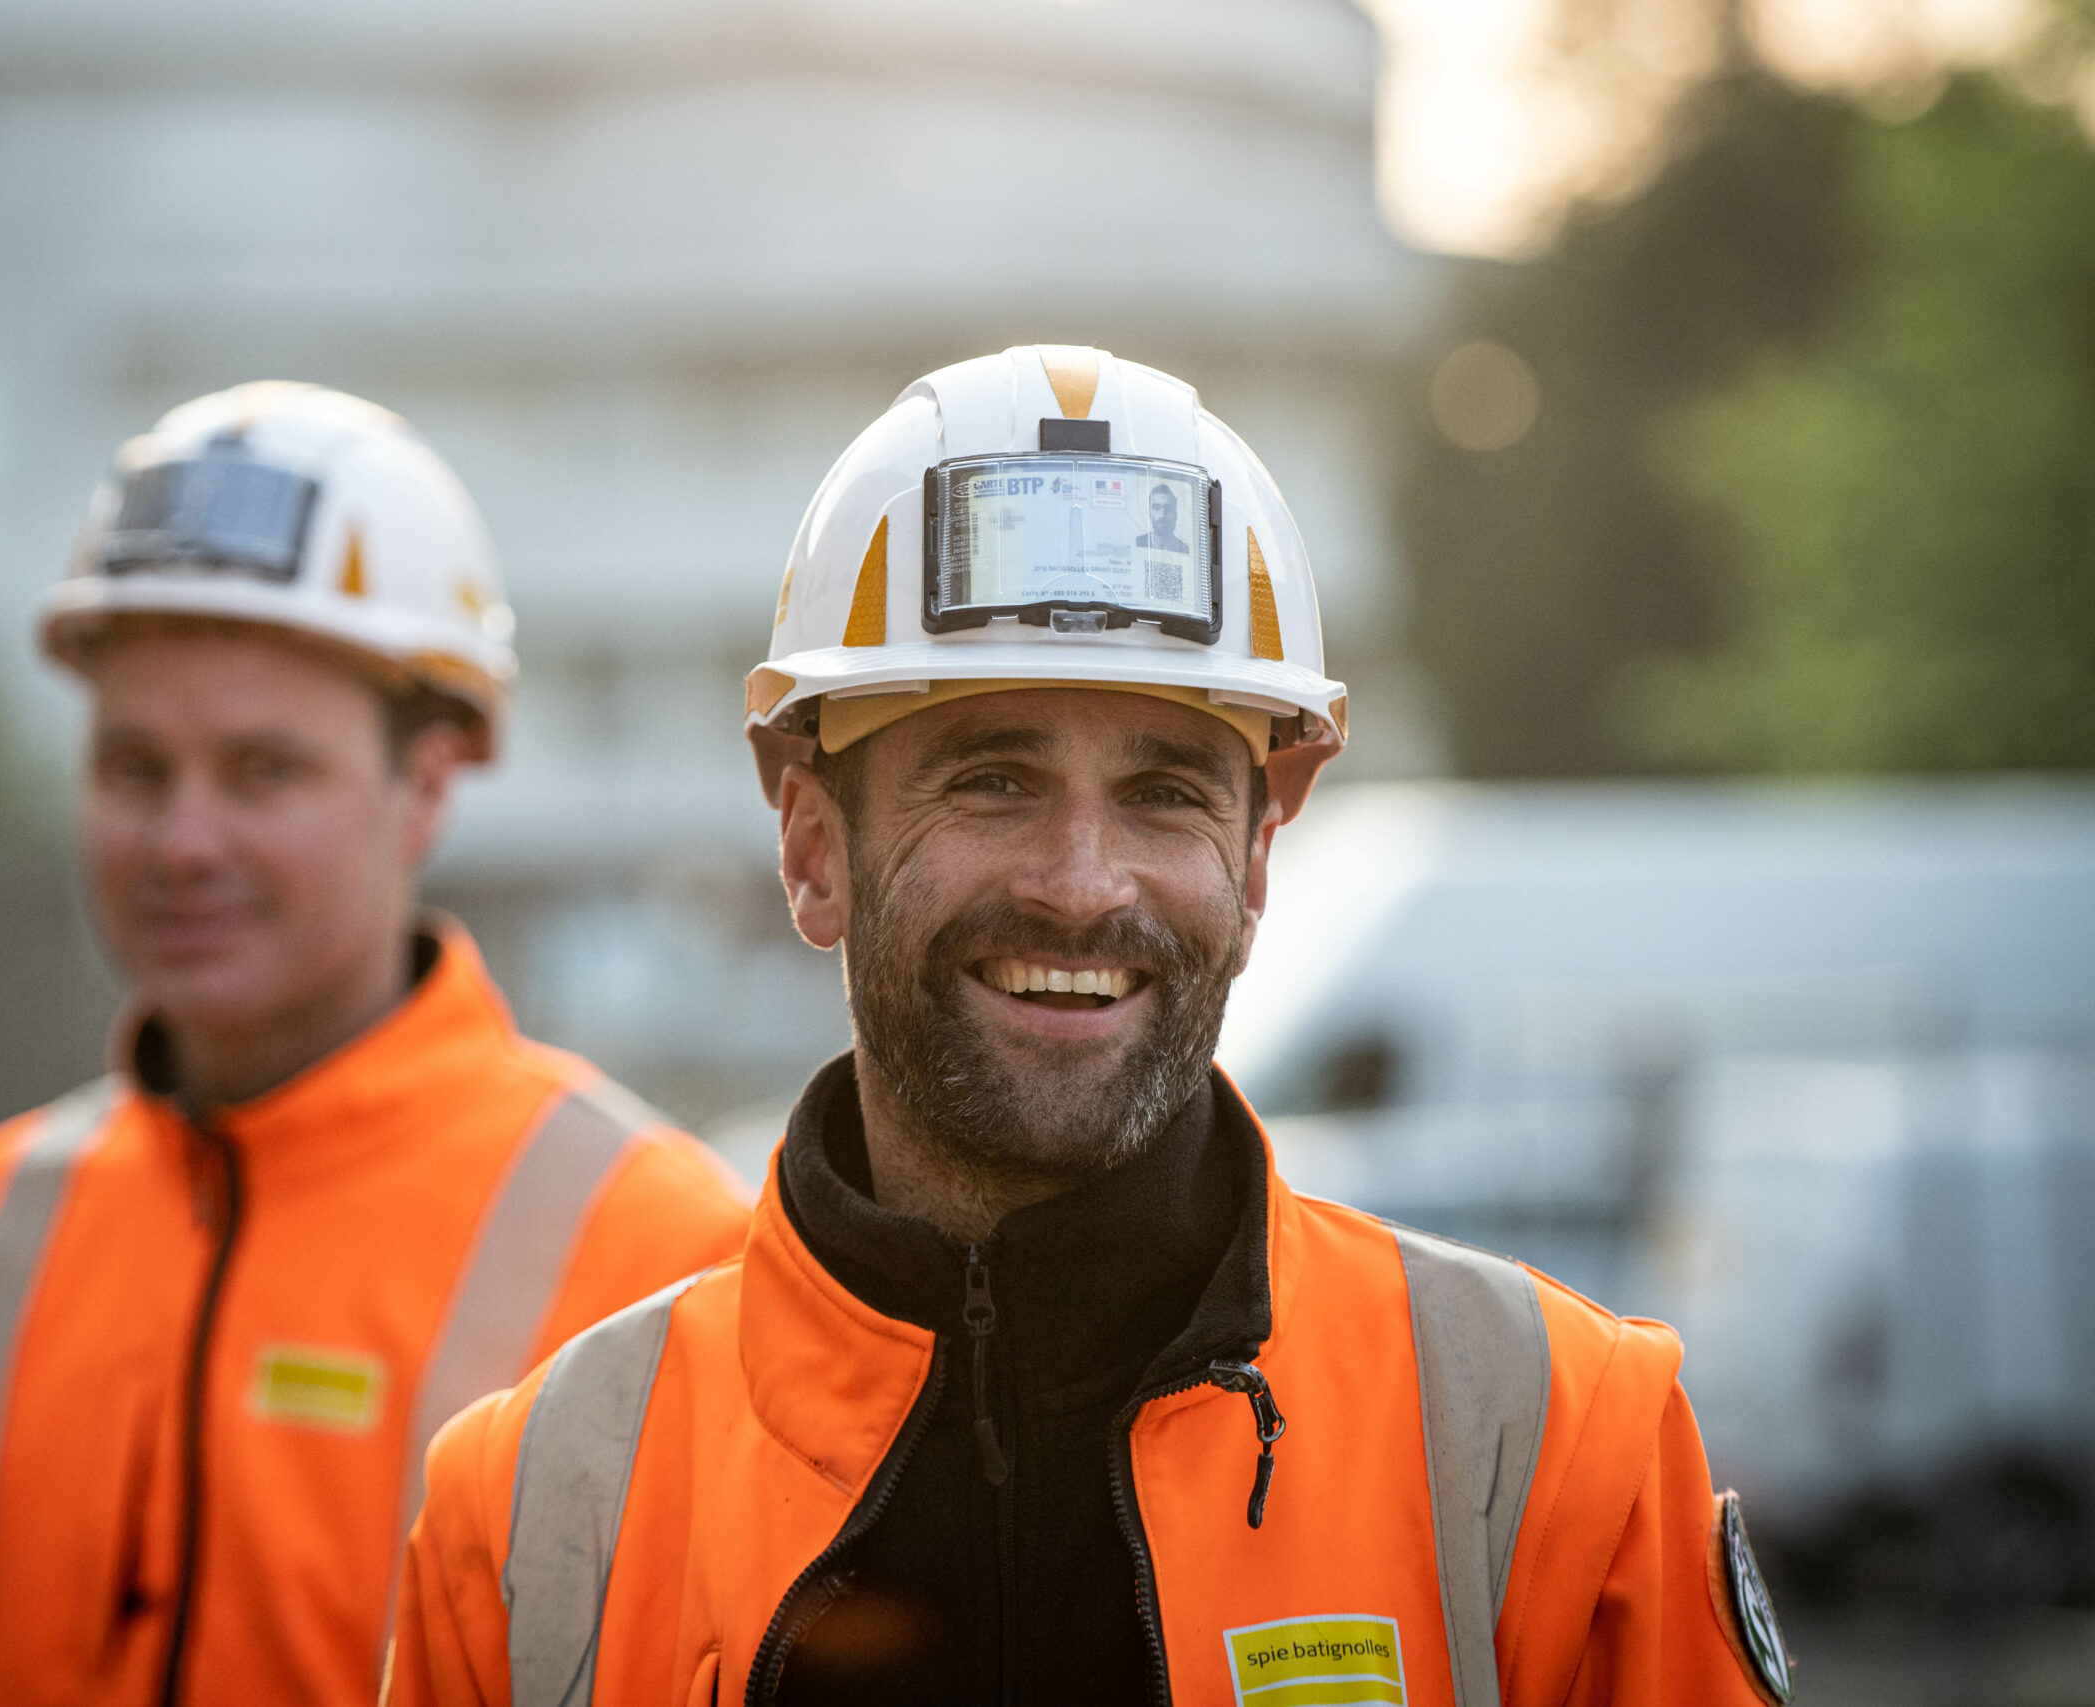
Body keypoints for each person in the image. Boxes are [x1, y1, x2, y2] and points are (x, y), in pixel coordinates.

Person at [387, 346, 1791, 1707]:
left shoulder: (1557, 1447)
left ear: (1252, 866)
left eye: (1167, 789)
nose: (1080, 881)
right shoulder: (530, 1516)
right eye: (992, 777)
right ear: (815, 847)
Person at [0, 383, 750, 1707]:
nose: (182, 839)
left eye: (263, 769)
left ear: (432, 782)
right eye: (132, 767)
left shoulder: (665, 1249)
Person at [1137, 479, 1188, 554]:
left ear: (1176, 515)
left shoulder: (1185, 549)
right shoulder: (1137, 542)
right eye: (1156, 507)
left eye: (1168, 508)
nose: (1162, 515)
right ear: (1149, 513)